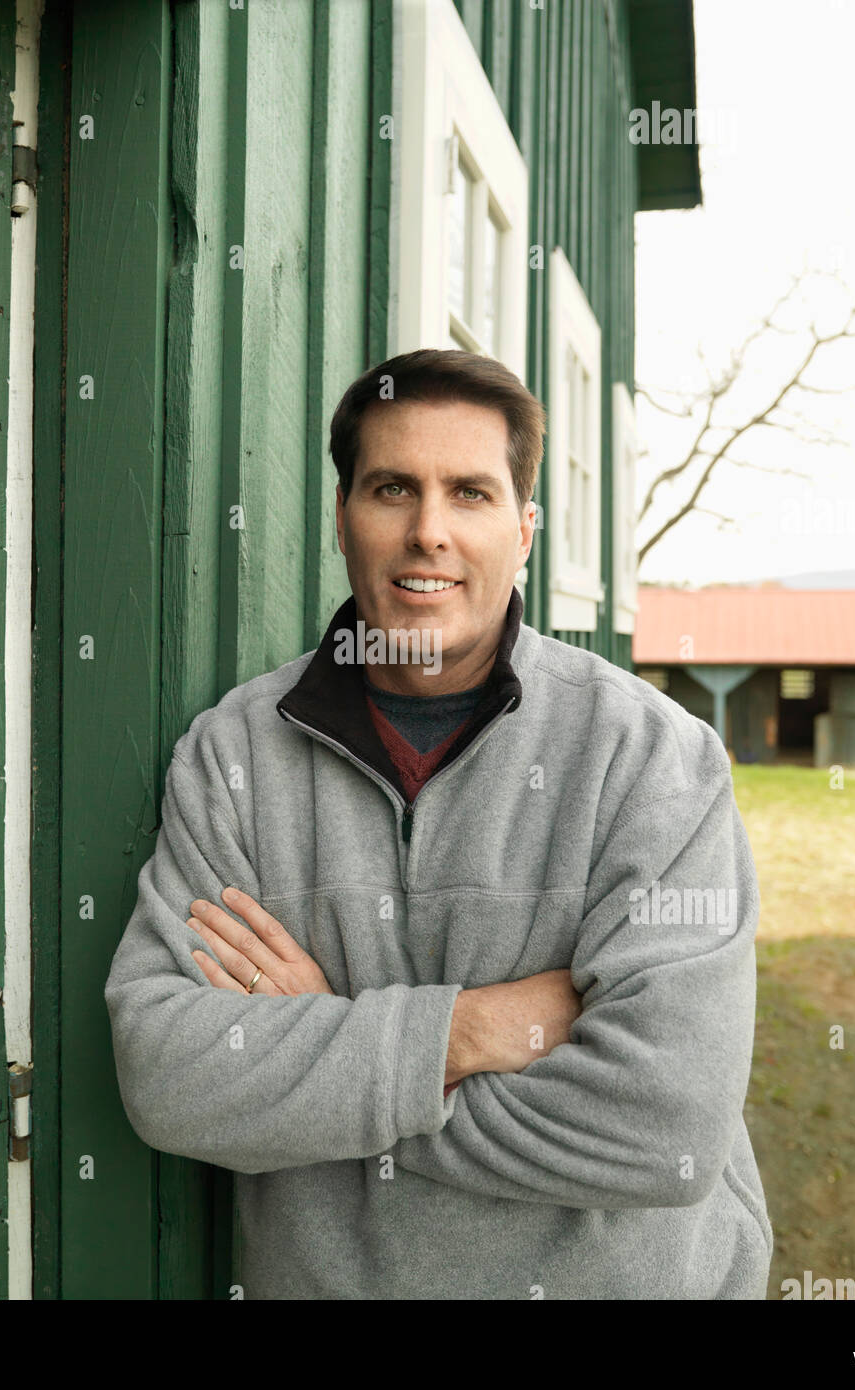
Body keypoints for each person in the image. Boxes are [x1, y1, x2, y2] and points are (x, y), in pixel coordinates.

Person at [104, 347, 773, 1299]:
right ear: (343, 520)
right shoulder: (233, 757)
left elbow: (663, 1126)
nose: (429, 532)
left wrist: (324, 1056)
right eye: (391, 490)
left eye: (469, 493)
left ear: (525, 529)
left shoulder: (653, 759)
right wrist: (466, 1033)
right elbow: (171, 1075)